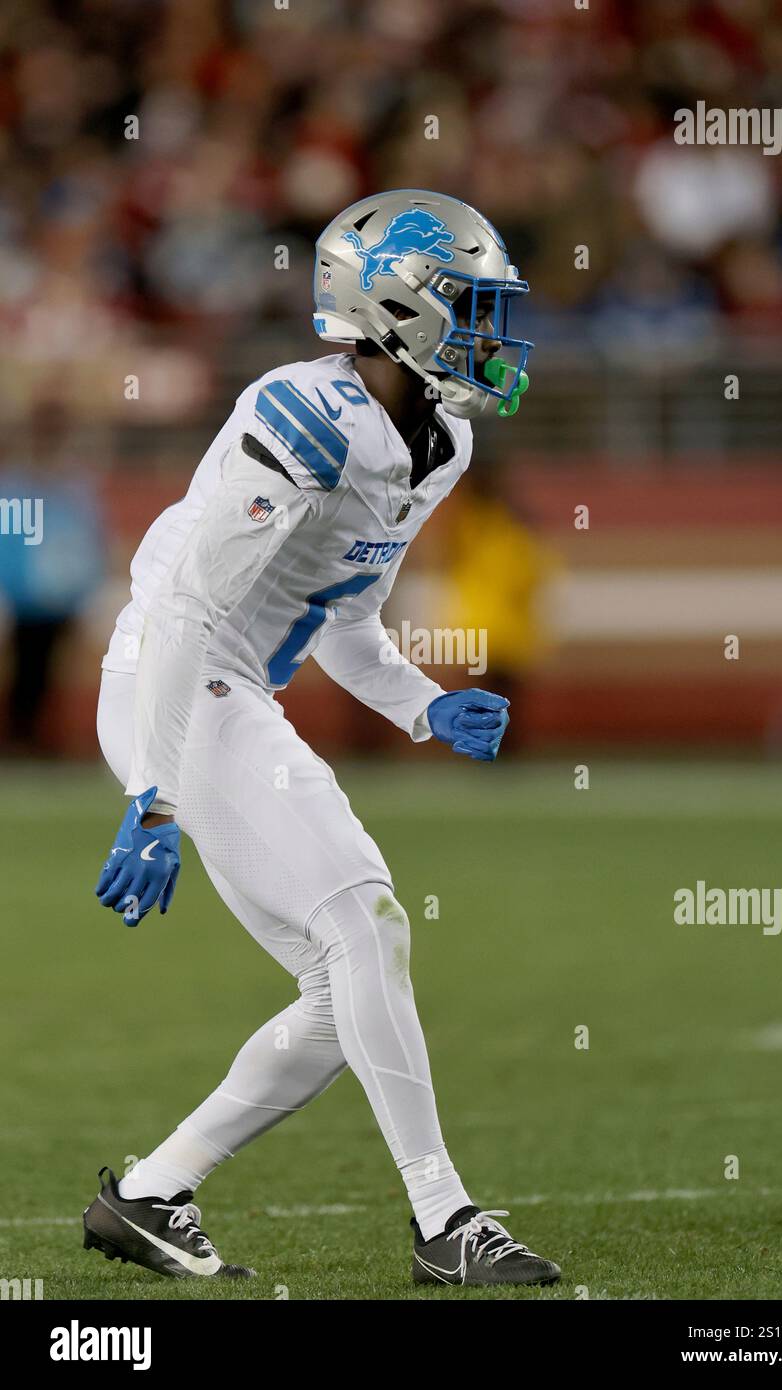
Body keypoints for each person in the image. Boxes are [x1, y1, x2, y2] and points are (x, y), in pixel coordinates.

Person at [84, 190, 559, 1288]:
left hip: (226, 682)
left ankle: (150, 1193)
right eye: (470, 306)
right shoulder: (298, 416)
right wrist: (152, 795)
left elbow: (343, 617)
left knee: (343, 978)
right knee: (364, 920)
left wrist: (419, 703)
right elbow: (187, 617)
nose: (490, 333)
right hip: (170, 677)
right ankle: (445, 1221)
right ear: (393, 303)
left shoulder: (439, 442)